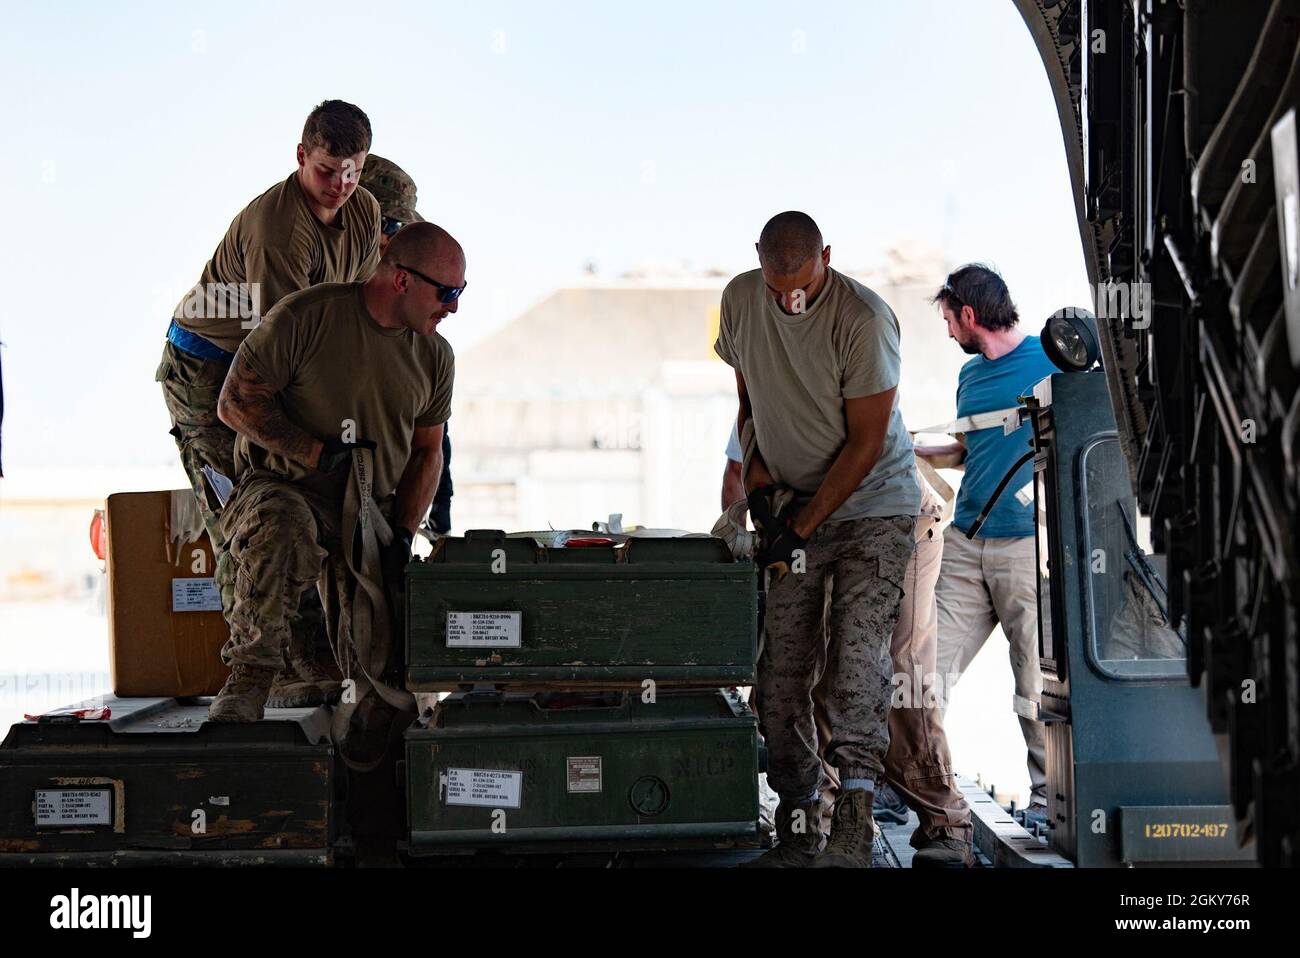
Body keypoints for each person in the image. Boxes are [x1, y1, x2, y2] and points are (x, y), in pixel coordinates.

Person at [158, 99, 381, 706]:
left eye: (352, 171)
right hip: (206, 367)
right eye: (327, 169)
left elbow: (349, 312)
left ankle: (308, 654)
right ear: (301, 157)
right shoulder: (277, 230)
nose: (339, 185)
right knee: (248, 513)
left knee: (307, 497)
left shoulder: (364, 211)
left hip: (270, 359)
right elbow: (284, 349)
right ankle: (260, 668)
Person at [715, 211, 919, 868]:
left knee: (855, 670)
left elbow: (865, 445)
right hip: (794, 508)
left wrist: (798, 528)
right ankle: (798, 828)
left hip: (872, 509)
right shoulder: (741, 300)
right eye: (777, 286)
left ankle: (853, 834)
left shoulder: (863, 318)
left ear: (826, 257)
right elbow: (749, 407)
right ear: (758, 261)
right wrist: (764, 489)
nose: (788, 300)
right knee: (779, 677)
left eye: (800, 284)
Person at [207, 222, 462, 722]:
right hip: (285, 488)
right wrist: (317, 454)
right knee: (284, 525)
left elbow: (428, 453)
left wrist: (402, 535)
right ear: (402, 280)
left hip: (370, 509)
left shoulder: (435, 356)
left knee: (377, 676)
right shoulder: (307, 317)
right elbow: (235, 403)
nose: (453, 307)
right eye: (447, 292)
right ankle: (251, 679)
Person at [721, 427, 974, 866]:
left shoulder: (837, 369)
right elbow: (737, 471)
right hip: (816, 523)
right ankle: (824, 822)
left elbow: (865, 447)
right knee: (807, 671)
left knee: (894, 675)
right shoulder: (765, 385)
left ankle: (945, 821)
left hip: (892, 511)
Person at [916, 263, 1057, 826]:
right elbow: (972, 454)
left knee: (1035, 685)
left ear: (969, 316)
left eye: (950, 321)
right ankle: (921, 791)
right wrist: (914, 450)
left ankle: (1050, 801)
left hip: (1029, 550)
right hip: (966, 545)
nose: (949, 332)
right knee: (923, 675)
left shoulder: (1053, 362)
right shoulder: (970, 379)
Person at [359, 155, 454, 535]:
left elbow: (432, 423)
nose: (393, 240)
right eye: (389, 226)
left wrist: (439, 508)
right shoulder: (319, 276)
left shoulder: (406, 283)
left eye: (401, 229)